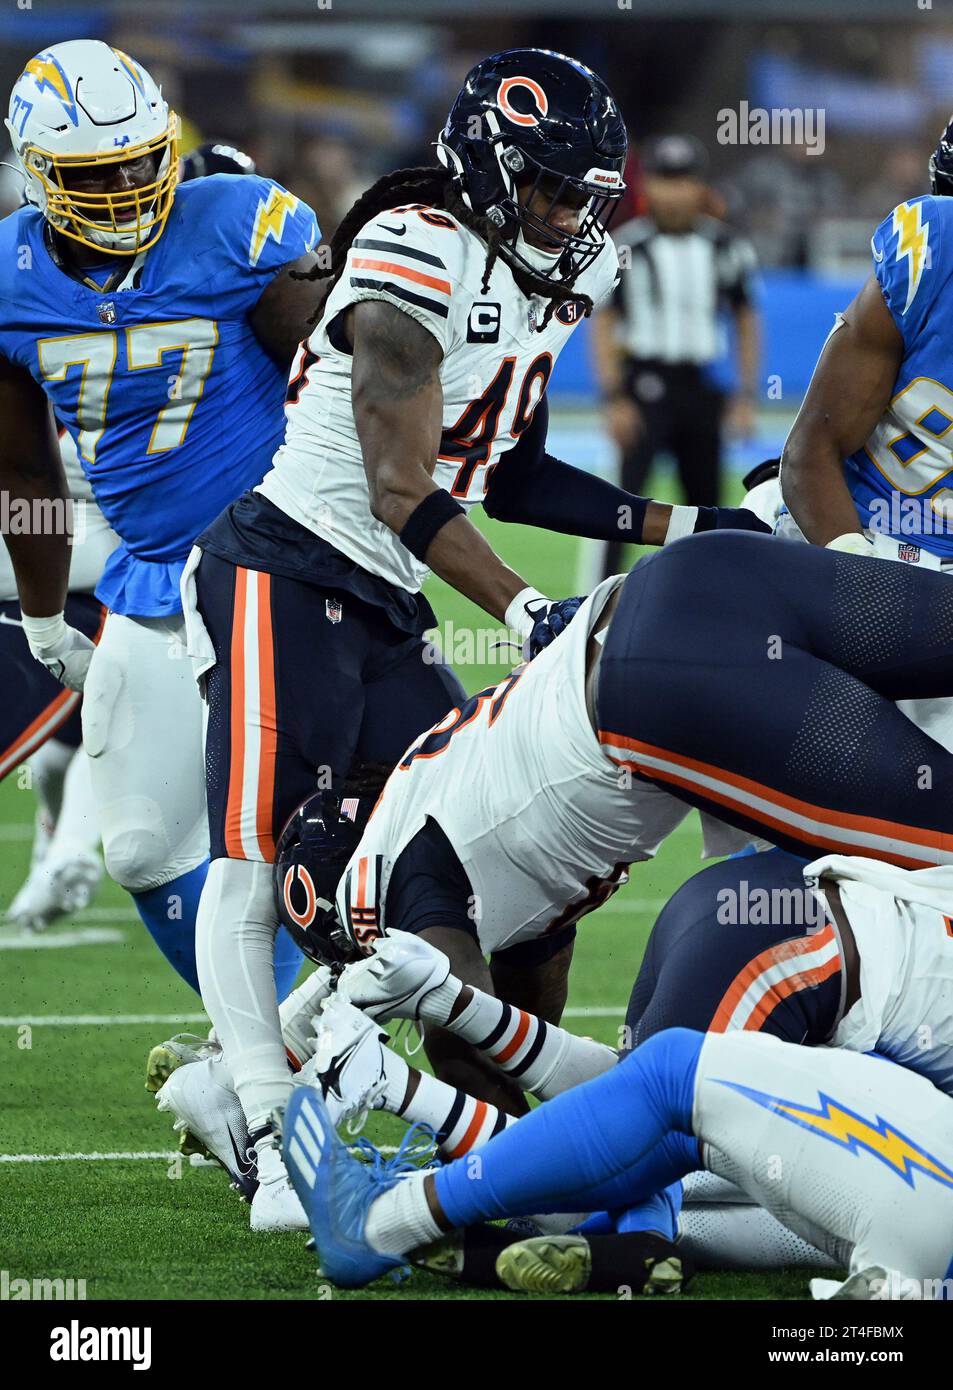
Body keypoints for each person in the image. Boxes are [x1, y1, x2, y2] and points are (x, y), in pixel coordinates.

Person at [179, 46, 755, 1232]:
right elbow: (398, 484)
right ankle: (266, 1128)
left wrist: (690, 523)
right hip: (283, 564)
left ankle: (467, 1129)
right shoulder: (413, 245)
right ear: (487, 168)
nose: (568, 212)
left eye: (582, 192)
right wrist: (524, 610)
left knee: (469, 858)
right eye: (548, 186)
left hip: (387, 601)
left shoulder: (537, 279)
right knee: (256, 853)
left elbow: (513, 472)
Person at [0, 41, 324, 991]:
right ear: (43, 175)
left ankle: (332, 1047)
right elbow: (22, 466)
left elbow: (340, 369)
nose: (135, 183)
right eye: (103, 173)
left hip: (281, 560)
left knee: (299, 830)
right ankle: (291, 1055)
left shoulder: (235, 218)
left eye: (146, 157)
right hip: (149, 577)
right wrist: (47, 614)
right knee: (141, 847)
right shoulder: (13, 275)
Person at [592, 134, 760, 577]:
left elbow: (745, 318)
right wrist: (613, 397)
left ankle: (707, 601)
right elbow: (604, 322)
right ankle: (594, 607)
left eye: (683, 180)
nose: (675, 192)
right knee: (621, 509)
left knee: (708, 511)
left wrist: (745, 395)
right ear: (647, 187)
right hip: (644, 384)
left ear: (700, 186)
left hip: (700, 385)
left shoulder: (726, 246)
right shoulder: (626, 246)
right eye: (665, 180)